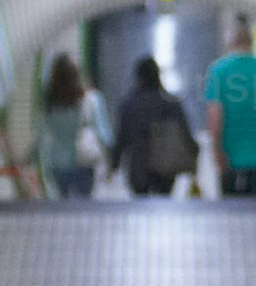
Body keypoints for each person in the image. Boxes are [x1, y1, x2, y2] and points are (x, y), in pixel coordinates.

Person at [205, 29, 256, 198]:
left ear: (229, 44)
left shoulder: (218, 71)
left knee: (234, 213)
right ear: (251, 44)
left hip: (231, 157)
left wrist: (216, 150)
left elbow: (215, 115)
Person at [30, 52, 108, 200]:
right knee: (84, 206)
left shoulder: (49, 103)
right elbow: (102, 133)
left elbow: (40, 135)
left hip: (57, 162)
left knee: (62, 203)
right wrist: (111, 161)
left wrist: (29, 158)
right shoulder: (92, 100)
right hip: (84, 160)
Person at [117, 58, 194, 200]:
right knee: (164, 205)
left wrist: (114, 162)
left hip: (138, 163)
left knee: (140, 206)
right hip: (165, 164)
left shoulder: (130, 103)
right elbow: (184, 131)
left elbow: (122, 135)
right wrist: (194, 155)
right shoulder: (170, 101)